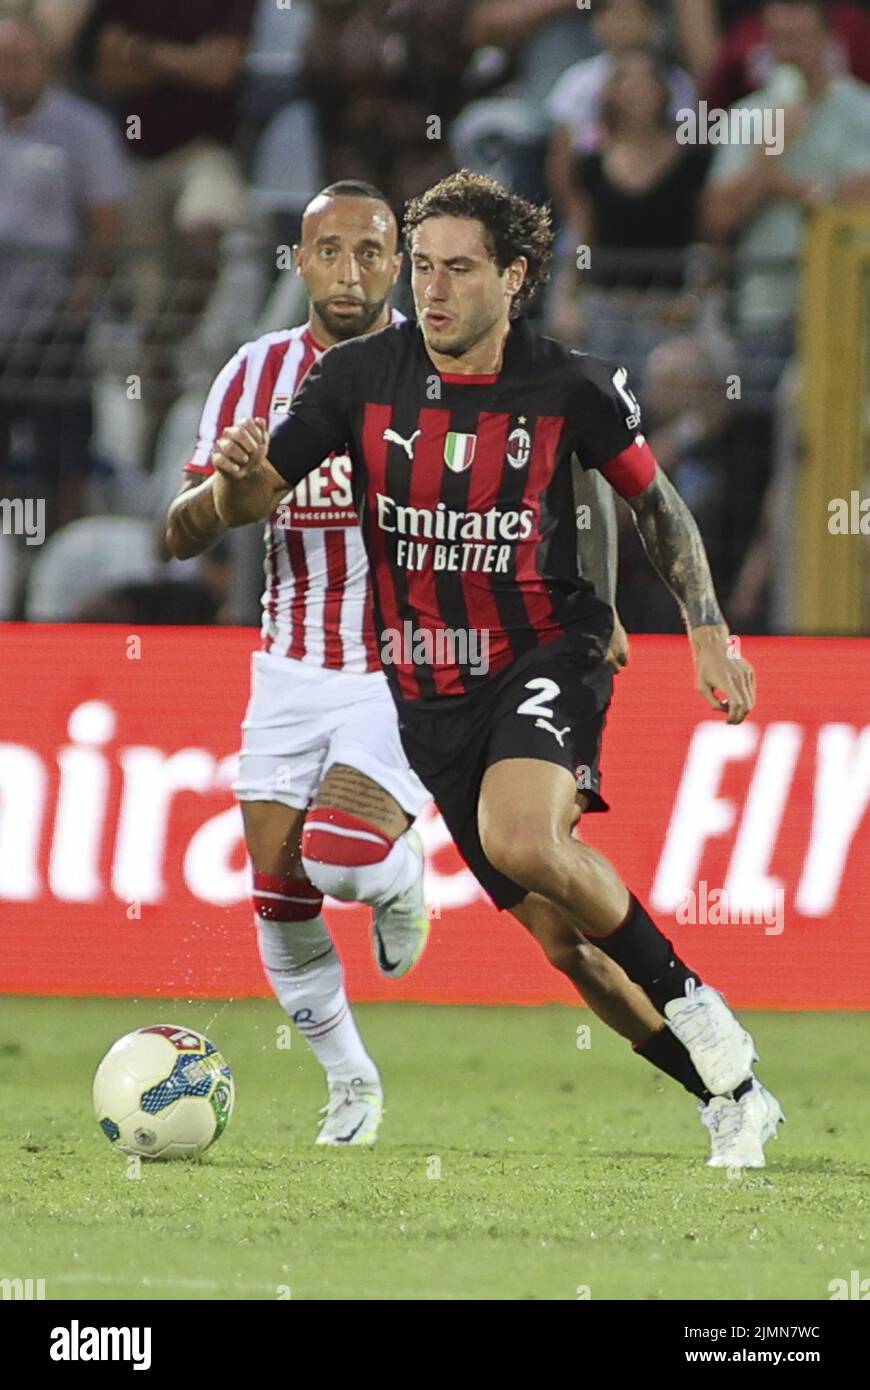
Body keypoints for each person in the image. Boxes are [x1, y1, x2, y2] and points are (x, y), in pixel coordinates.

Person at [212, 171, 785, 1169]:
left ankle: (697, 1004)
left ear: (514, 278)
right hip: (427, 691)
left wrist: (707, 630)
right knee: (568, 948)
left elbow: (649, 502)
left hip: (541, 650)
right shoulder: (356, 378)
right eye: (423, 268)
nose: (433, 291)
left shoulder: (570, 384)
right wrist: (238, 471)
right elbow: (264, 487)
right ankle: (731, 1092)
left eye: (460, 270)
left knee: (521, 835)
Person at [701, 0, 870, 397]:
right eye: (778, 40)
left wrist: (780, 186)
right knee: (758, 428)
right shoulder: (747, 115)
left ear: (828, 40)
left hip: (846, 307)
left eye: (798, 39)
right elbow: (717, 217)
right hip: (766, 308)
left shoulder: (862, 110)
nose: (788, 52)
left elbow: (860, 197)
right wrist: (769, 155)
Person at [0, 15, 128, 531]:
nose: (8, 72)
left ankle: (62, 546)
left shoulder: (82, 128)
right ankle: (6, 554)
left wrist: (81, 296)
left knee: (64, 451)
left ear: (43, 64)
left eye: (17, 60)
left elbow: (105, 223)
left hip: (53, 319)